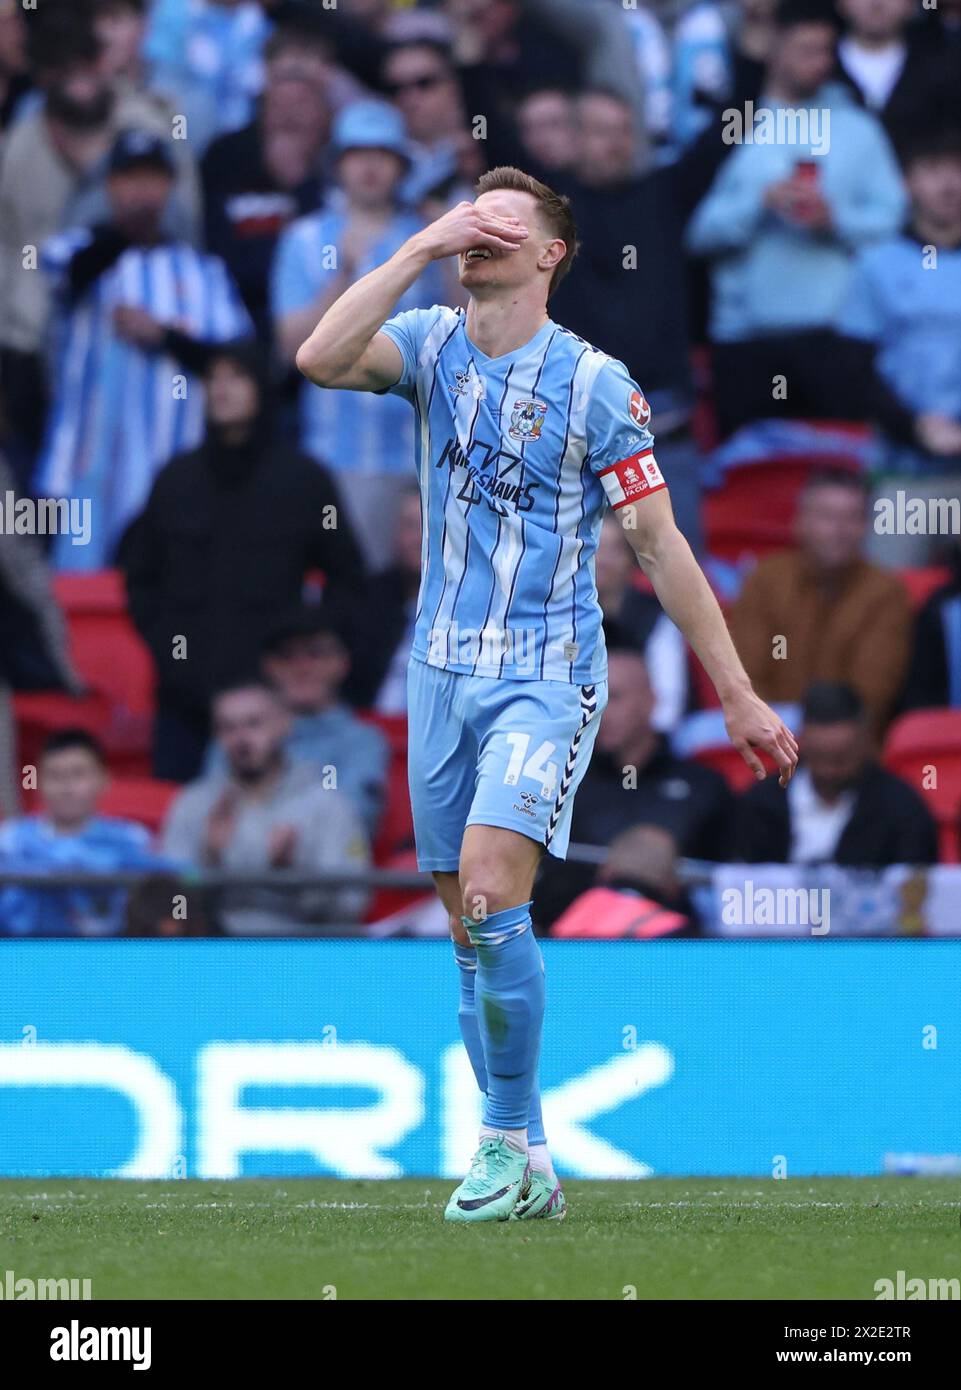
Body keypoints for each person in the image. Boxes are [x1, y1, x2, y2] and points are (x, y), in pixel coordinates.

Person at [294, 162, 797, 1222]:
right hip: (437, 670)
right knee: (466, 925)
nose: (478, 232)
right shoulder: (429, 345)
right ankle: (530, 1152)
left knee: (488, 885)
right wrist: (418, 248)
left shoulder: (595, 384)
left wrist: (740, 695)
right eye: (469, 217)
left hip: (543, 674)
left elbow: (659, 549)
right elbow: (318, 355)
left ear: (549, 253)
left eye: (499, 222)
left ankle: (495, 1139)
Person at [120, 339, 365, 782]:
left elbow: (347, 578)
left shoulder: (303, 480)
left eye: (236, 376)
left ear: (260, 387)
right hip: (184, 702)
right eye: (213, 378)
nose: (222, 388)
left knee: (269, 834)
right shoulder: (176, 480)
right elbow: (141, 578)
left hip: (273, 706)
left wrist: (303, 656)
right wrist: (167, 650)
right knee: (184, 833)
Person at [685, 0, 906, 436]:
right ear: (775, 49)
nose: (820, 63)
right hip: (746, 341)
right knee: (748, 489)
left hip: (836, 340)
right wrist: (756, 205)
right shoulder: (735, 126)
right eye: (807, 50)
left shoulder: (859, 129)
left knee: (837, 484)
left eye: (827, 51)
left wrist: (836, 221)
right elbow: (696, 236)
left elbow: (897, 224)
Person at [35, 129, 251, 570]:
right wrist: (124, 231)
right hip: (84, 471)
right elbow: (69, 275)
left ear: (170, 186)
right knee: (80, 601)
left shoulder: (202, 270)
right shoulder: (75, 249)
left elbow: (237, 359)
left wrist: (164, 337)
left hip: (171, 471)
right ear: (109, 185)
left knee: (165, 605)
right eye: (128, 178)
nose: (140, 191)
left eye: (151, 178)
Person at [0, 6, 200, 469]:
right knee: (53, 490)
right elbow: (10, 251)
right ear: (44, 77)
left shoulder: (151, 128)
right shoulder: (19, 149)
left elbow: (184, 231)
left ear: (102, 63)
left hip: (137, 334)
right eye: (61, 70)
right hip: (33, 343)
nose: (78, 82)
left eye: (85, 65)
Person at [271, 99, 446, 566]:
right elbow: (290, 348)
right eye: (357, 154)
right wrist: (342, 277)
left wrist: (449, 243)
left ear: (400, 166)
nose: (369, 166)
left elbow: (465, 328)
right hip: (332, 455)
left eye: (382, 155)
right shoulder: (304, 239)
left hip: (418, 455)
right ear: (339, 165)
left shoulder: (426, 238)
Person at [533, 649, 731, 928]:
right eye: (591, 698)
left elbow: (731, 878)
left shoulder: (704, 786)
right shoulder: (562, 785)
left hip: (681, 948)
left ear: (651, 701)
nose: (599, 711)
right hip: (573, 944)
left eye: (614, 697)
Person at [162, 681, 370, 935]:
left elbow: (351, 905)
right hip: (215, 955)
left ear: (285, 725)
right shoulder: (193, 803)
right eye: (228, 727)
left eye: (254, 724)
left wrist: (292, 875)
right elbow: (171, 904)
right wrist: (210, 862)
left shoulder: (329, 804)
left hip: (305, 954)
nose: (240, 739)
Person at [728, 468, 912, 733]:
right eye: (826, 516)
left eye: (852, 517)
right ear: (799, 522)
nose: (839, 529)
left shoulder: (885, 593)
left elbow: (872, 693)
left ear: (865, 528)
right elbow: (746, 675)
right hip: (766, 737)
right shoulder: (765, 580)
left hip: (848, 746)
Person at [204, 610, 389, 841]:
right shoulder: (235, 731)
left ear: (342, 662)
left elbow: (354, 820)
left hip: (324, 869)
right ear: (268, 665)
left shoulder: (361, 741)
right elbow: (212, 813)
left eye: (316, 654)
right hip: (239, 867)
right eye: (286, 656)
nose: (302, 668)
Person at [201, 25, 332, 338]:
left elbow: (338, 264)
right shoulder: (225, 158)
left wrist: (302, 185)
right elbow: (218, 264)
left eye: (301, 104)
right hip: (238, 326)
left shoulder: (342, 160)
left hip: (322, 324)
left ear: (324, 112)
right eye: (279, 105)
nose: (289, 118)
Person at [732, 682, 938, 865]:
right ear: (799, 743)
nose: (829, 771)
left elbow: (915, 890)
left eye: (841, 759)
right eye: (819, 758)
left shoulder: (902, 808)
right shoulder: (761, 803)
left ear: (866, 743)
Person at [0, 730, 164, 936]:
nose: (66, 787)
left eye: (78, 774)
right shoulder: (9, 840)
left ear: (104, 779)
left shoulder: (133, 839)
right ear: (38, 783)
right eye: (55, 775)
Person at [594, 513, 688, 733]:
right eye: (597, 547)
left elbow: (667, 709)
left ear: (632, 559)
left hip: (644, 743)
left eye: (615, 550)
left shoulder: (656, 617)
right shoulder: (562, 612)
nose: (603, 561)